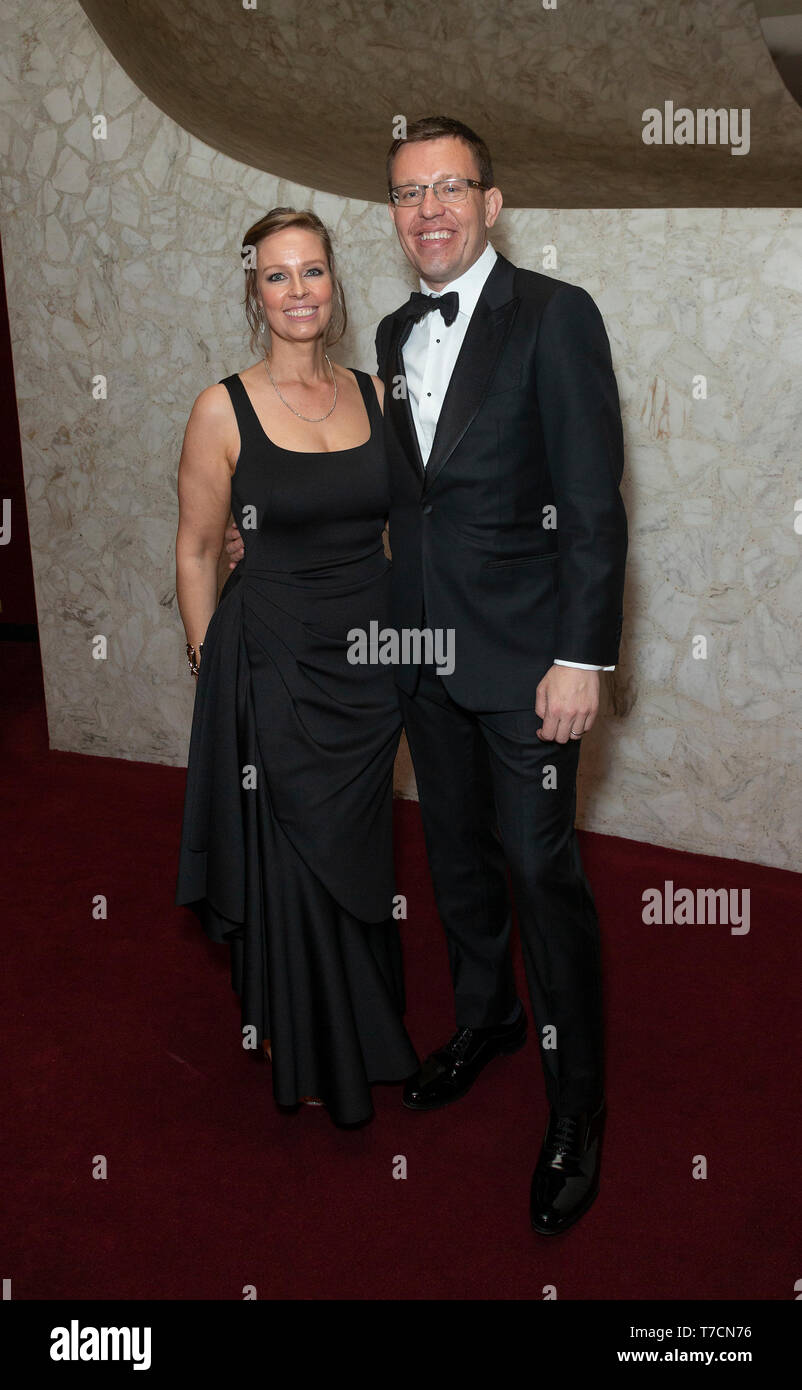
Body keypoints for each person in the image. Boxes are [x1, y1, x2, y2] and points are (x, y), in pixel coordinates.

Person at [227, 115, 628, 1233]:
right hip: (423, 657)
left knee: (540, 872)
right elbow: (386, 494)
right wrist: (261, 538)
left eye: (450, 188)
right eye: (408, 194)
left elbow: (593, 506)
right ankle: (486, 1016)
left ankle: (578, 1111)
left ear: (490, 204)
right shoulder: (395, 337)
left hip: (532, 667)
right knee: (455, 863)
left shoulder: (556, 317)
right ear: (394, 217)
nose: (431, 210)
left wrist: (581, 656)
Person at [175, 207, 418, 1127]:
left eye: (312, 271)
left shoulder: (376, 394)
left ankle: (361, 1017)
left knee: (357, 850)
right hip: (270, 660)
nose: (298, 291)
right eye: (276, 276)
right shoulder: (221, 408)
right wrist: (213, 668)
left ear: (335, 282)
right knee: (291, 856)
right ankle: (303, 1033)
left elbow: (408, 528)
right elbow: (199, 549)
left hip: (366, 668)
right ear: (254, 291)